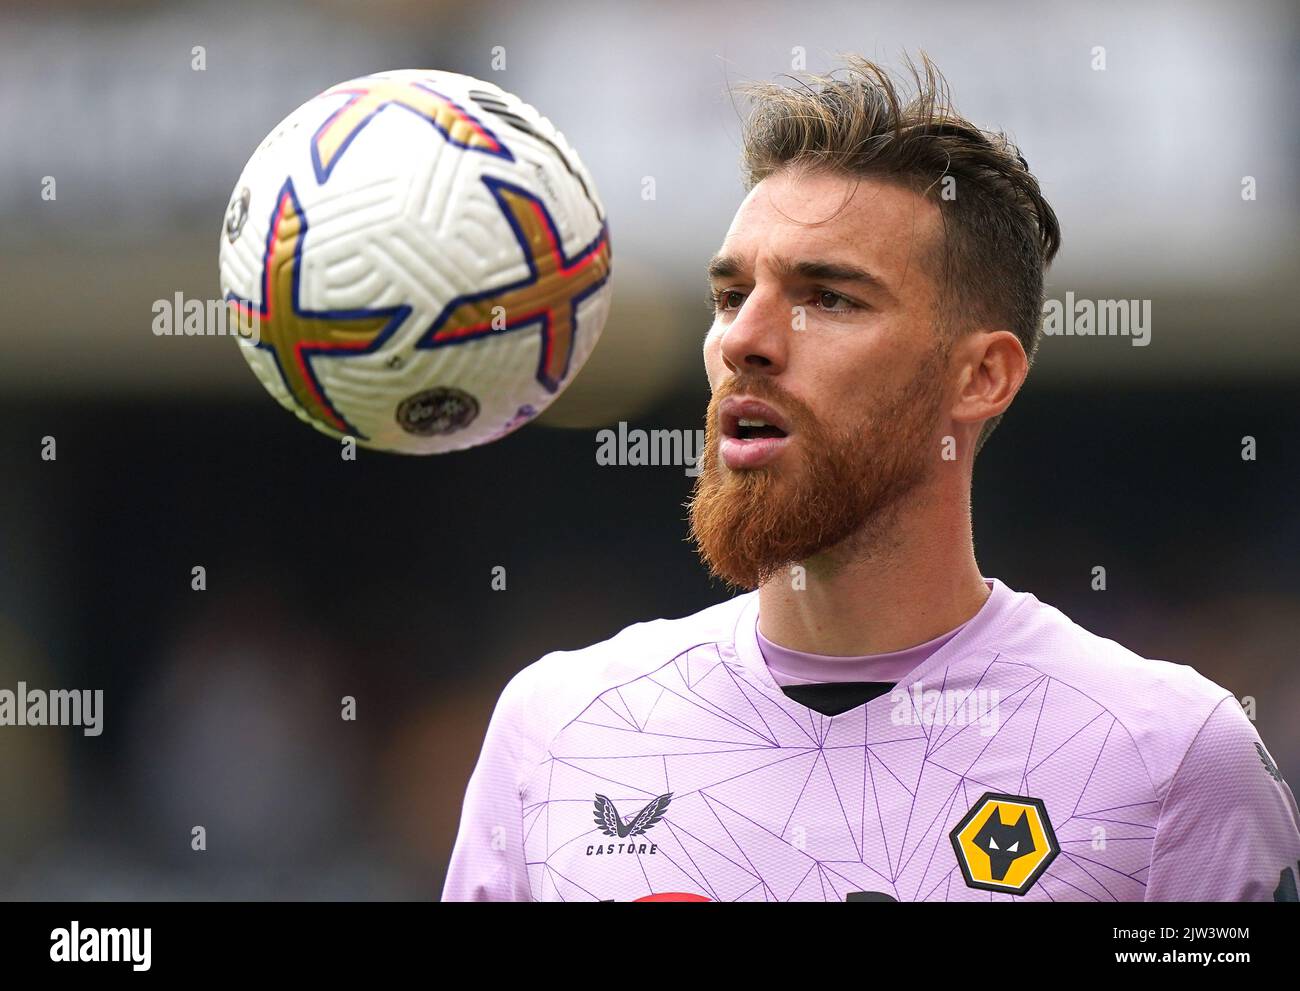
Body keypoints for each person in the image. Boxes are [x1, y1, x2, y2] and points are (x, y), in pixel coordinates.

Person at [441, 53, 1300, 902]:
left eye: (831, 298)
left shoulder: (1170, 758)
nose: (746, 339)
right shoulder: (556, 729)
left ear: (982, 378)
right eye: (732, 294)